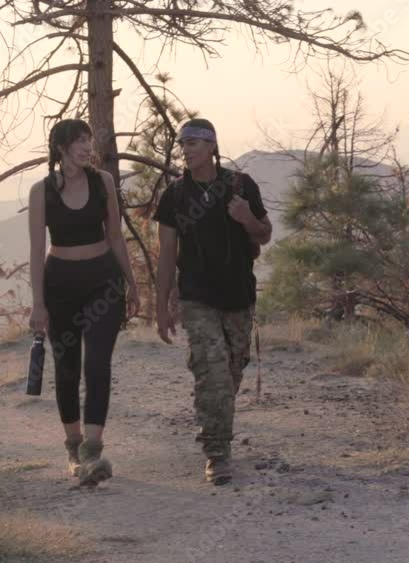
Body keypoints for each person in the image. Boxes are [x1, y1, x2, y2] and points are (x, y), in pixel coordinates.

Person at [152, 118, 273, 485]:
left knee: (232, 370)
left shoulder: (240, 185)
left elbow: (265, 234)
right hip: (197, 297)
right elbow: (167, 255)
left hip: (238, 295)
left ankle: (215, 419)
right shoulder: (175, 196)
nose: (186, 150)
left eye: (193, 143)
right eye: (182, 144)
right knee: (213, 372)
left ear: (211, 147)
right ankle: (217, 454)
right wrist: (160, 306)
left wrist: (246, 218)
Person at [28, 118, 140, 486]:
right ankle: (74, 447)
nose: (86, 146)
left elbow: (116, 237)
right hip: (60, 285)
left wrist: (132, 281)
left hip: (102, 282)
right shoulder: (41, 191)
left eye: (89, 140)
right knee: (67, 367)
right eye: (78, 140)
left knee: (97, 363)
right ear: (61, 147)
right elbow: (35, 251)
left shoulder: (102, 181)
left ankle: (94, 451)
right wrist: (38, 304)